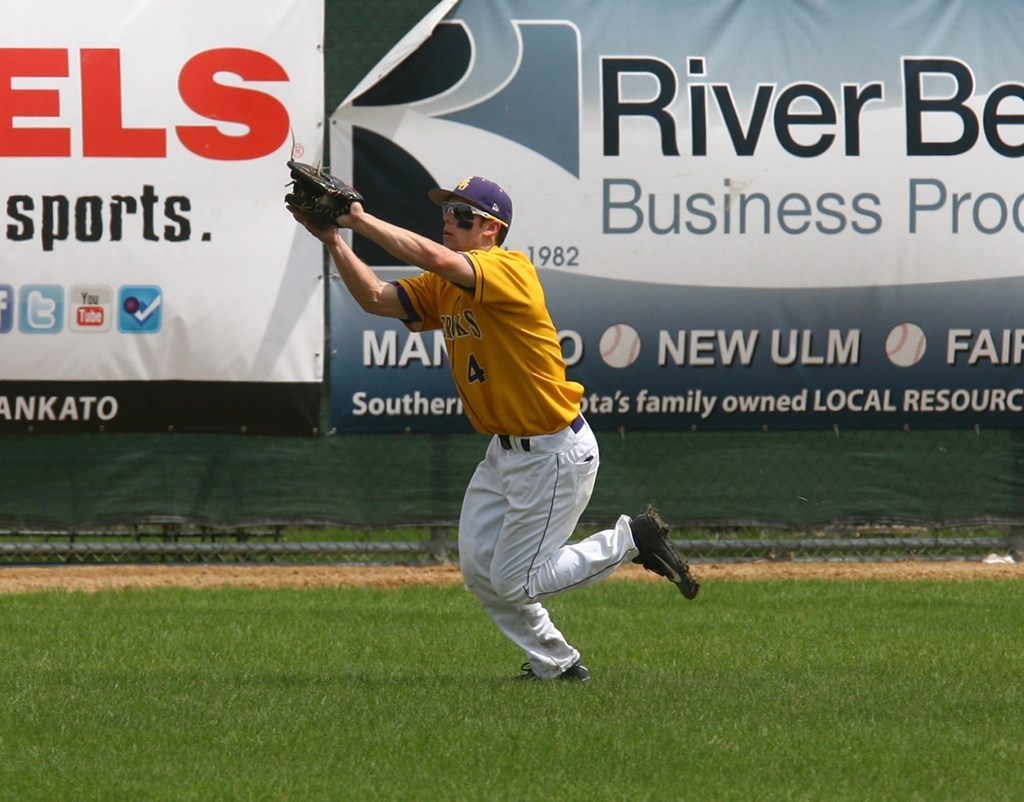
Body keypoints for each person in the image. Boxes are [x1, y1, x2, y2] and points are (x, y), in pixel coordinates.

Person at [288, 176, 699, 682]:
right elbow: (375, 298)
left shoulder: (509, 269)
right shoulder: (444, 286)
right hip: (503, 454)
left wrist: (357, 218)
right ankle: (557, 664)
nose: (449, 221)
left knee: (515, 581)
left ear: (491, 229)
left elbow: (437, 259)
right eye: (446, 212)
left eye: (463, 215)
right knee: (481, 572)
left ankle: (631, 539)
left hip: (552, 452)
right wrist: (334, 240)